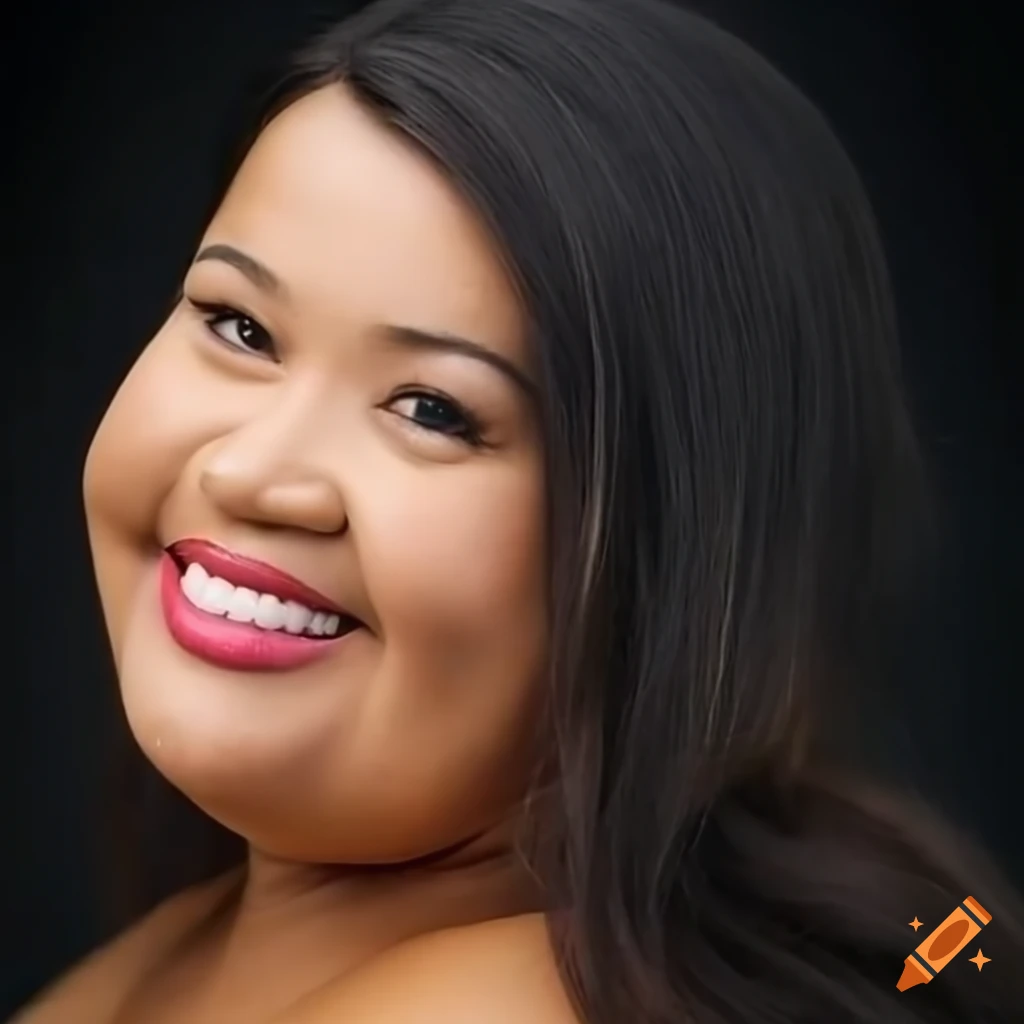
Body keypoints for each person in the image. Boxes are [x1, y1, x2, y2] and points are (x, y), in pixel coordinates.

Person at [15, 0, 1023, 1021]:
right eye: (239, 326)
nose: (253, 472)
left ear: (669, 546)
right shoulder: (206, 941)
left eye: (434, 409)